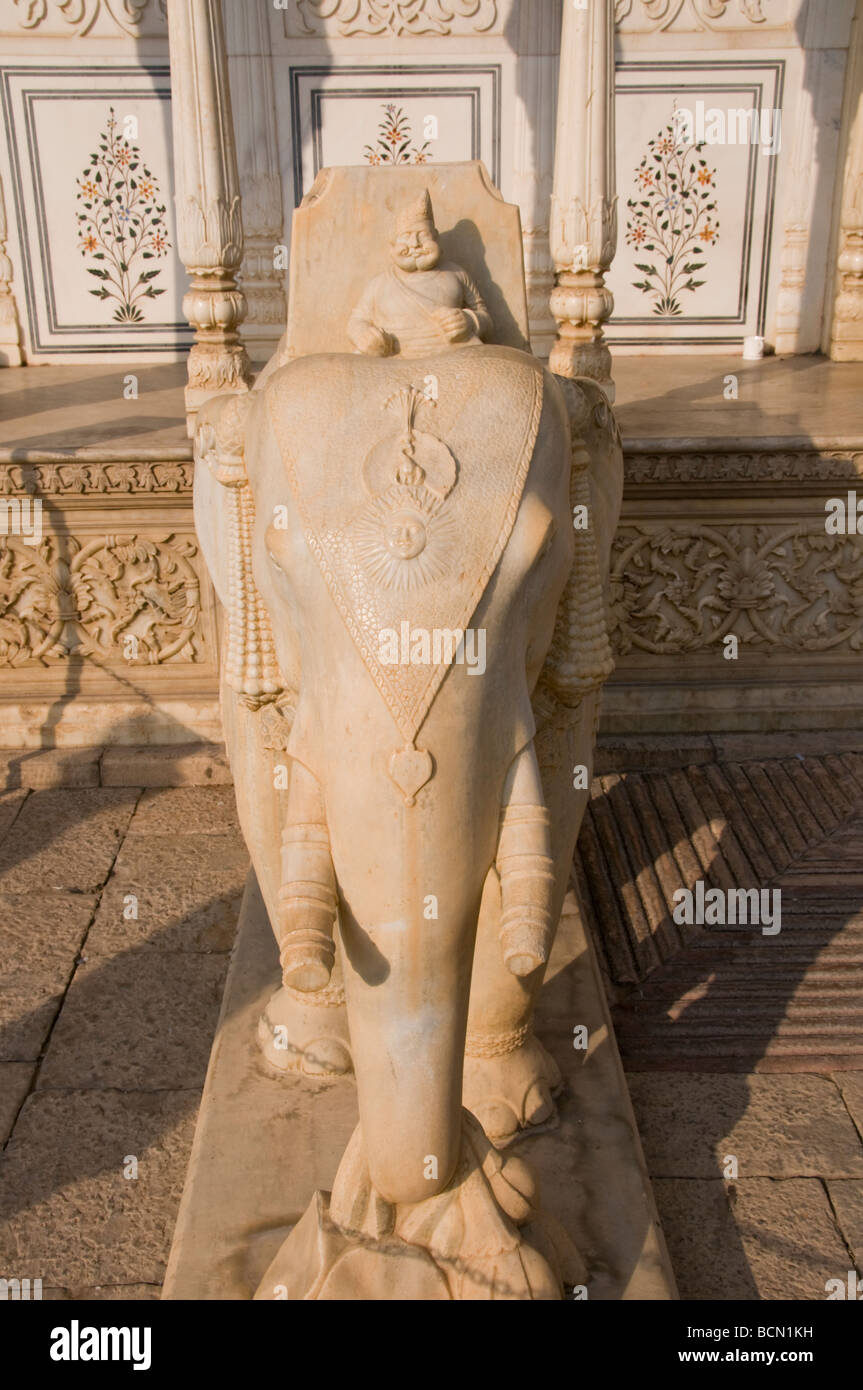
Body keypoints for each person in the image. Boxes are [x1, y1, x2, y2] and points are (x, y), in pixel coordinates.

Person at [348, 189, 492, 358]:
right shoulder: (379, 284)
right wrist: (364, 335)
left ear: (436, 237)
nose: (415, 244)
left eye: (422, 235)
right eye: (406, 236)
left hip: (451, 358)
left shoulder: (456, 274)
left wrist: (470, 321)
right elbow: (356, 321)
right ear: (392, 245)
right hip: (392, 360)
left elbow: (485, 317)